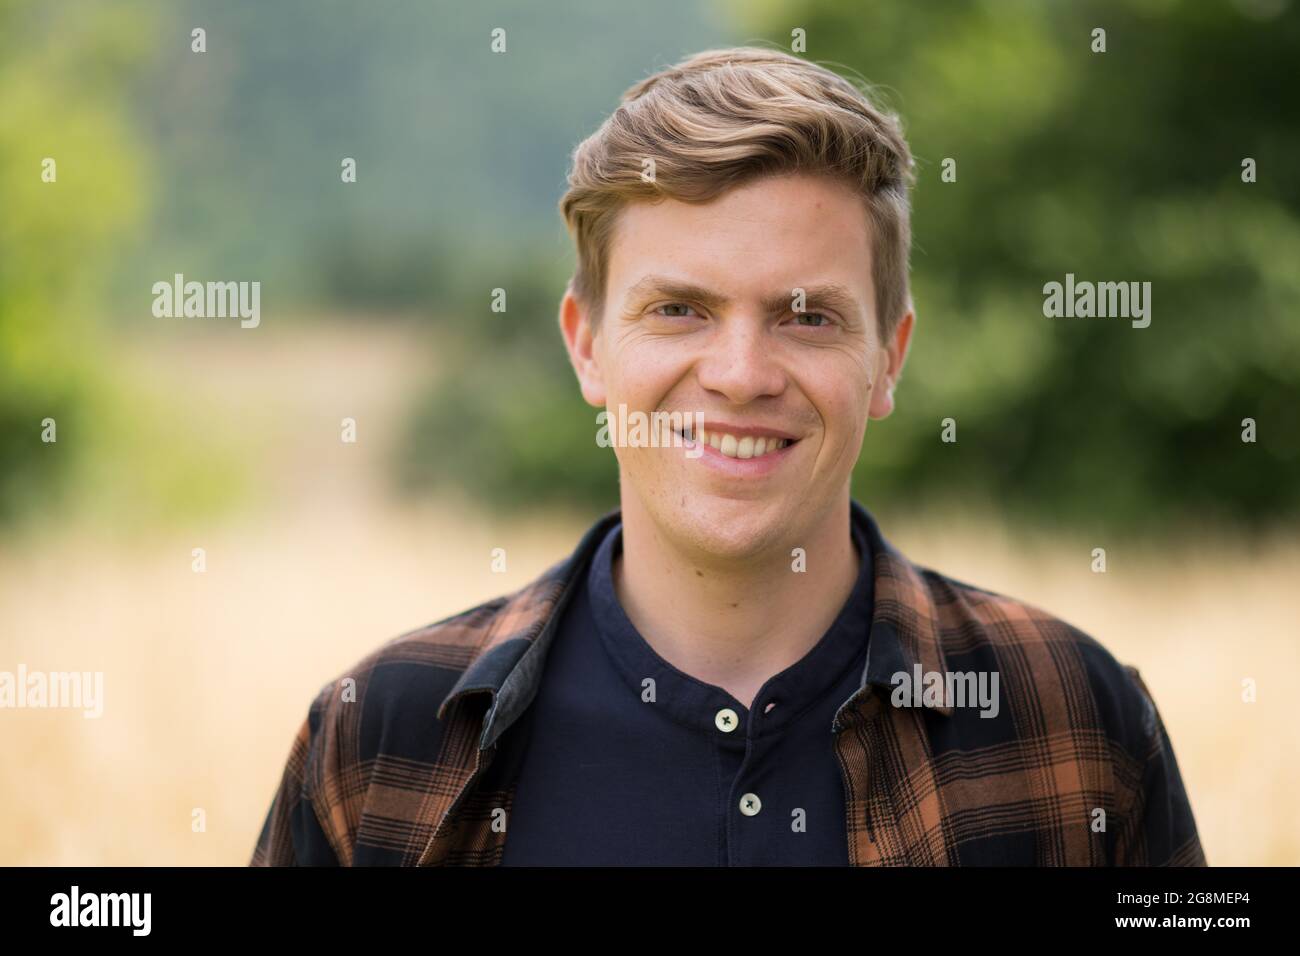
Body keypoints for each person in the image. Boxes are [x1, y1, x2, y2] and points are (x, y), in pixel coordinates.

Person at [251, 46, 1205, 866]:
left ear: (889, 359)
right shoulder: (381, 741)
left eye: (807, 316)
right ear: (587, 344)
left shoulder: (1077, 722)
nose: (742, 374)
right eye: (679, 310)